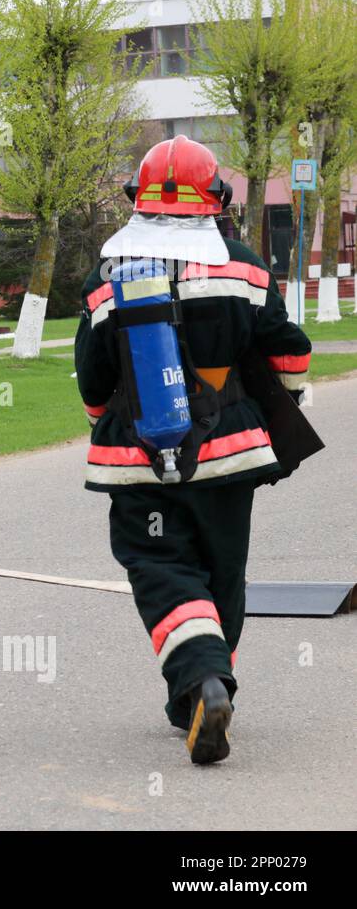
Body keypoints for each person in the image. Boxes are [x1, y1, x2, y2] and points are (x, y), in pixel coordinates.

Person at [75, 135, 313, 765]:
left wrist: (110, 421)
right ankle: (205, 690)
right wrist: (277, 408)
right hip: (230, 455)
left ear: (137, 199)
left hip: (140, 460)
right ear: (217, 199)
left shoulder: (108, 278)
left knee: (160, 566)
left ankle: (201, 682)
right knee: (221, 572)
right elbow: (291, 350)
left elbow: (94, 380)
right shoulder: (245, 267)